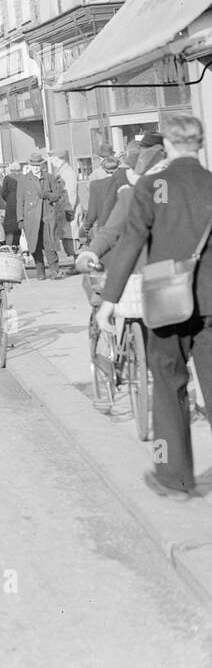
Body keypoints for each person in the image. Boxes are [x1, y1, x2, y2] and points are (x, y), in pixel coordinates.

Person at [97, 114, 212, 499]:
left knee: (167, 385)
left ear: (171, 146)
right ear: (199, 143)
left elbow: (130, 242)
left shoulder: (153, 185)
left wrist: (109, 300)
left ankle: (175, 478)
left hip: (167, 299)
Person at [17, 150, 67, 280]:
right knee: (34, 245)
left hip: (47, 217)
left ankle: (54, 271)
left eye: (38, 165)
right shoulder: (24, 180)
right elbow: (20, 201)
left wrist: (47, 195)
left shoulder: (49, 178)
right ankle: (40, 271)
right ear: (29, 165)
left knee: (50, 243)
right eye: (33, 165)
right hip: (31, 218)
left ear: (42, 165)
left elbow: (58, 196)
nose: (36, 168)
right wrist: (20, 219)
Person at [79, 154, 120, 243]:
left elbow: (92, 211)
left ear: (103, 168)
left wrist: (86, 226)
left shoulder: (96, 185)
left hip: (103, 226)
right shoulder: (124, 182)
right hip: (122, 226)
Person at [48, 149, 78, 261]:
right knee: (67, 237)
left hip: (68, 209)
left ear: (57, 158)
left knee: (72, 239)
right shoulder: (62, 171)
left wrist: (69, 210)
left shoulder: (67, 172)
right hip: (63, 208)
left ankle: (78, 264)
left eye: (52, 158)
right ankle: (77, 263)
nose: (51, 161)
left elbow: (71, 192)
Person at [0, 164, 21, 248]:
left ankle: (9, 245)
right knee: (19, 224)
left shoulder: (7, 178)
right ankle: (17, 244)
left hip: (11, 203)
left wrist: (8, 200)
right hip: (21, 201)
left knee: (9, 226)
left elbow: (3, 193)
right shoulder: (23, 177)